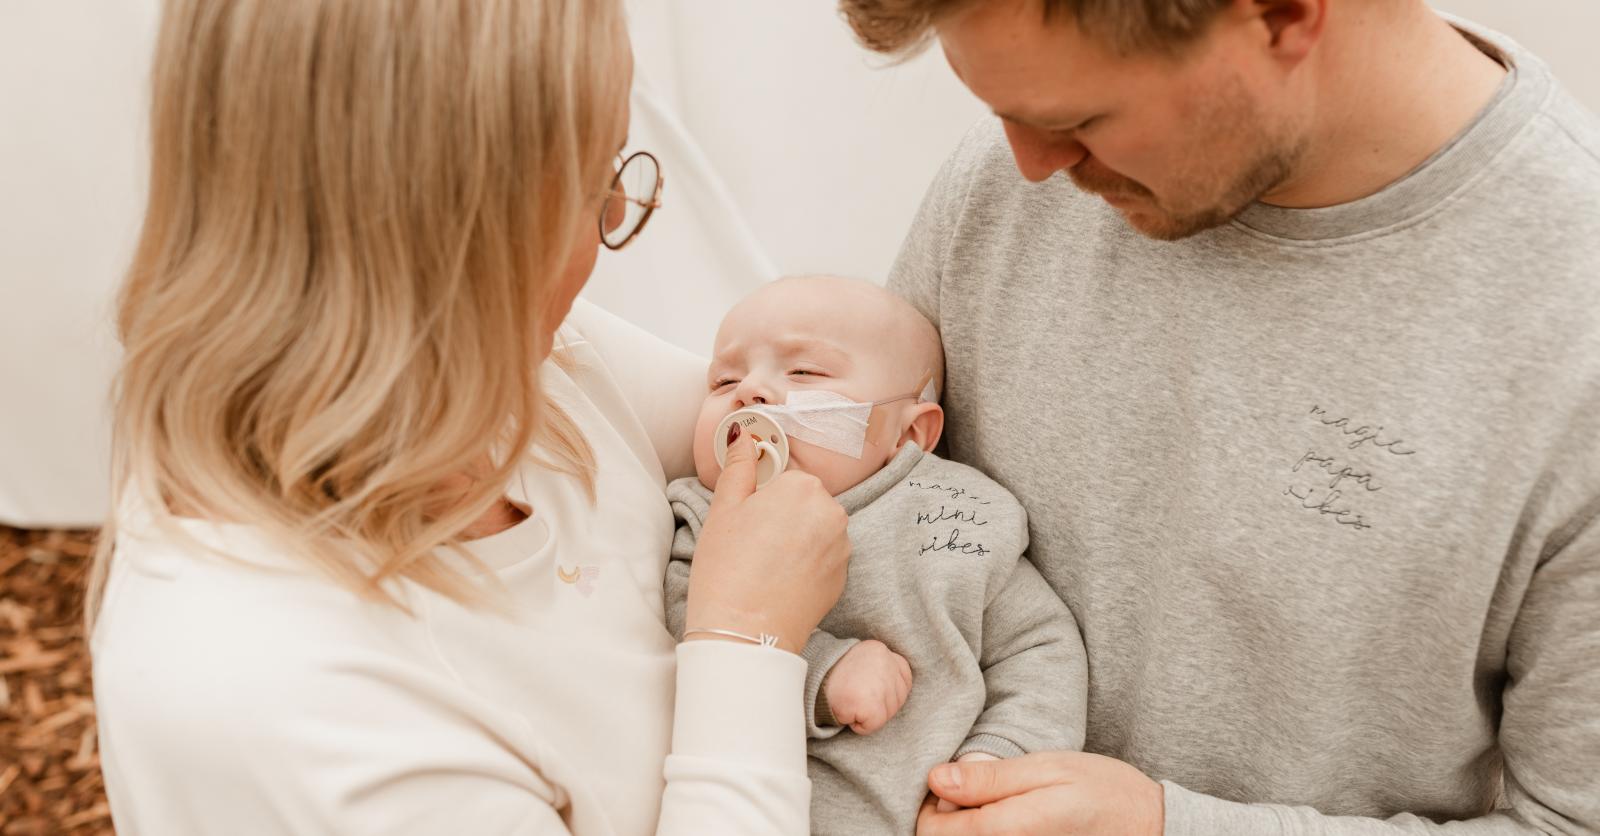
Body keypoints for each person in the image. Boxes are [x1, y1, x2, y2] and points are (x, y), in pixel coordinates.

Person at [837, 0, 1600, 832]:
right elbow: (859, 528)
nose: (1031, 165)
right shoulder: (1001, 182)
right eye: (1003, 114)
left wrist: (1166, 826)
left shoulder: (1575, 326)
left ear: (1282, 16)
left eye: (1081, 120)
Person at [88, 1, 851, 833]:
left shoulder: (506, 357)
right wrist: (746, 641)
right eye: (595, 184)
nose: (611, 220)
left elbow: (820, 439)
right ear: (454, 235)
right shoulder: (287, 704)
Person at [662, 276, 1087, 835]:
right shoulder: (708, 517)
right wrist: (821, 673)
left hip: (951, 811)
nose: (750, 392)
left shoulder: (957, 515)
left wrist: (995, 763)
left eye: (804, 372)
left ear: (909, 435)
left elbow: (1039, 647)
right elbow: (692, 631)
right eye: (724, 380)